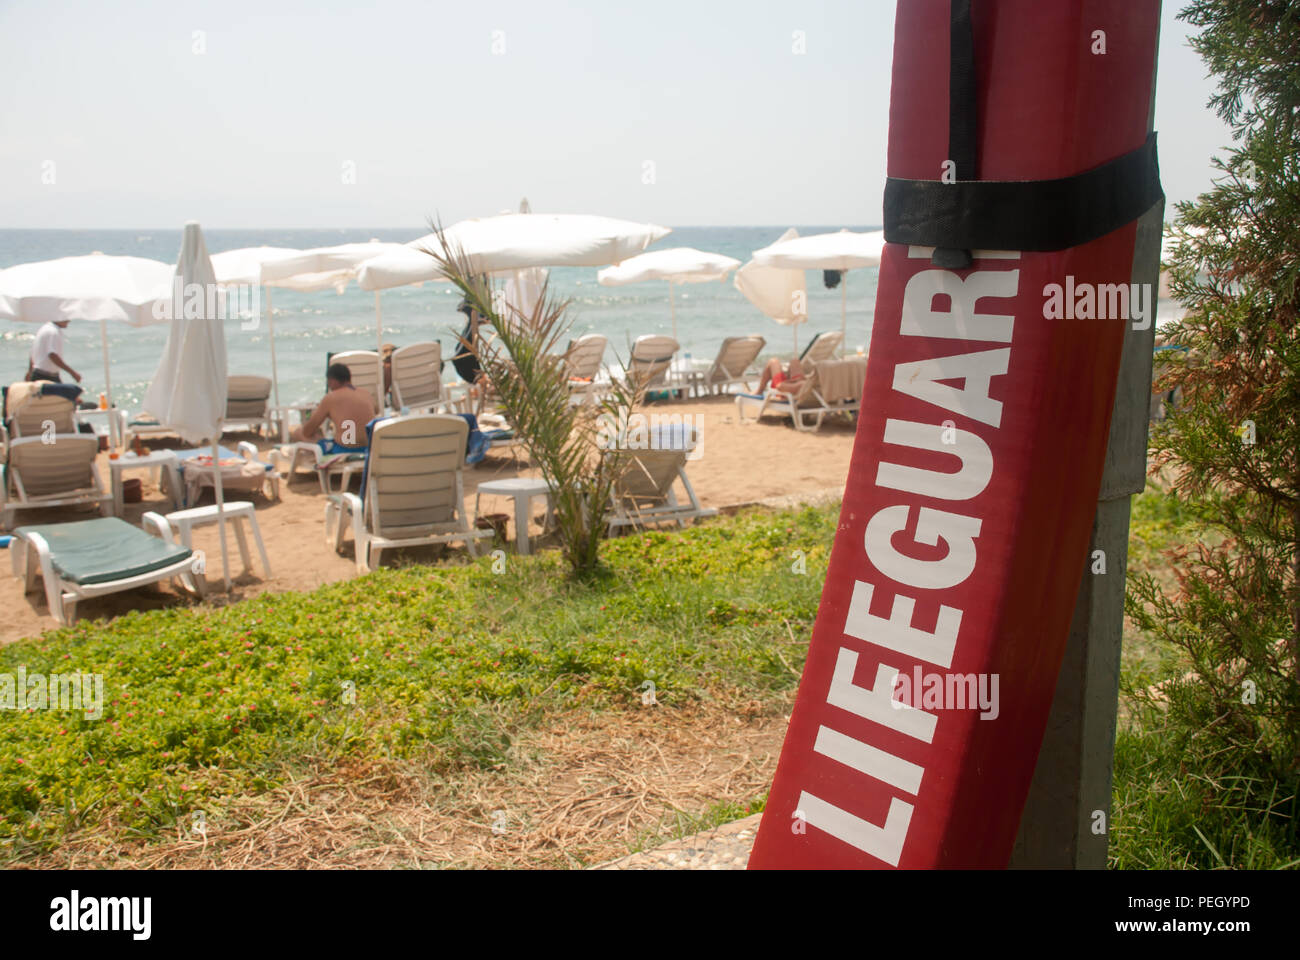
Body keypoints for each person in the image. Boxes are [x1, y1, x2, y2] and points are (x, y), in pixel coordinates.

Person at [290, 362, 376, 453]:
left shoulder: (331, 398)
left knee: (298, 433)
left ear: (332, 380)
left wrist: (318, 412)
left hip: (343, 449)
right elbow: (374, 410)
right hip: (368, 448)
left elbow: (307, 432)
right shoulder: (366, 394)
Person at [27, 319, 81, 383]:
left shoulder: (44, 328)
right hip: (45, 376)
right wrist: (72, 373)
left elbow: (33, 353)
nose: (69, 321)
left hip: (40, 374)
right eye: (66, 318)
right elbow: (52, 355)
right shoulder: (53, 331)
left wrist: (30, 373)